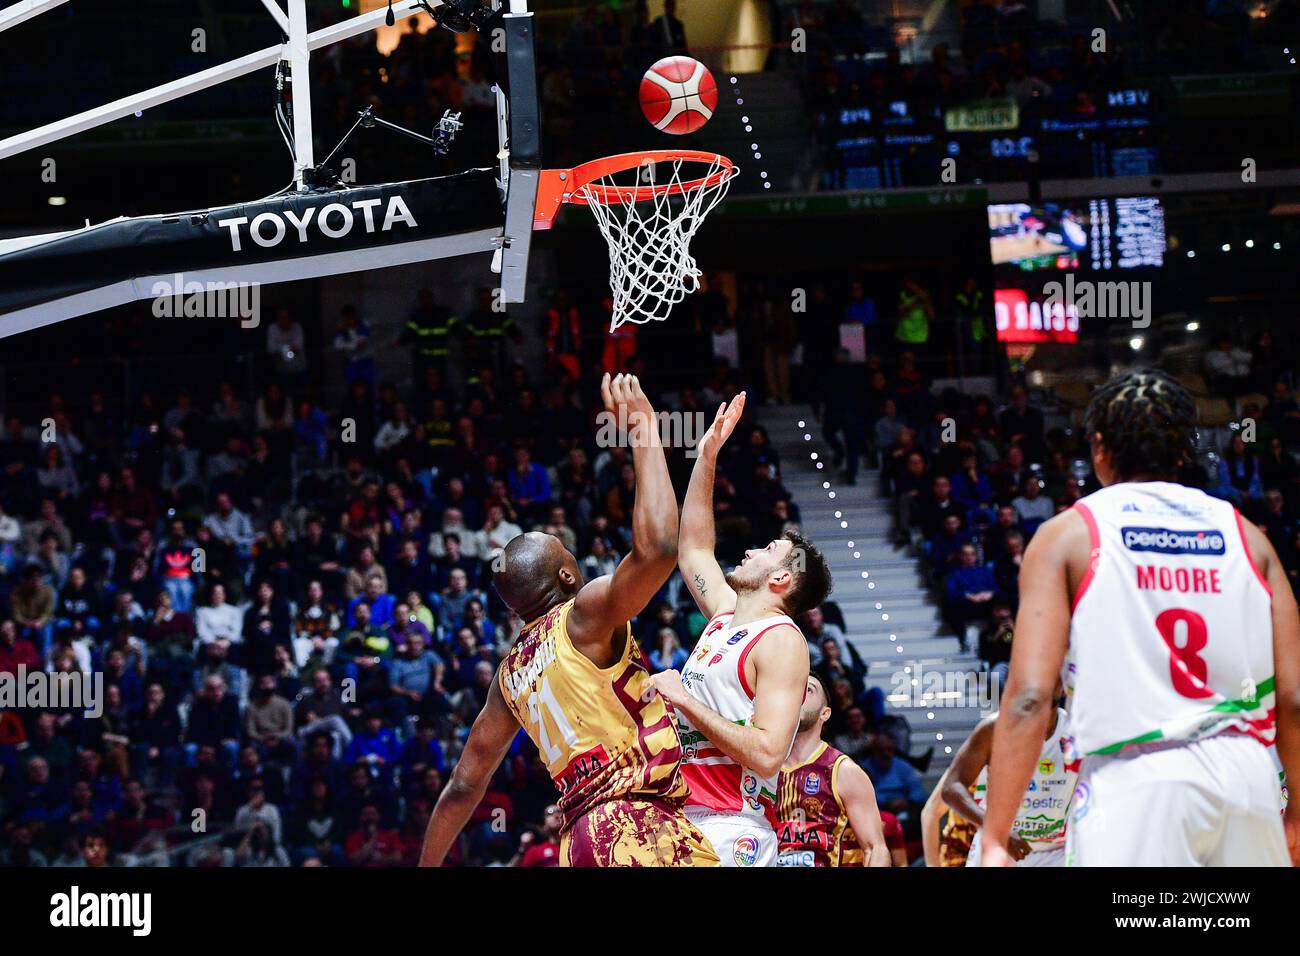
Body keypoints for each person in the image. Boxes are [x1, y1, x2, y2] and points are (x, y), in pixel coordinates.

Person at [983, 369, 1300, 867]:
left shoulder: (1069, 534)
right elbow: (1294, 698)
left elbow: (1029, 697)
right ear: (1183, 450)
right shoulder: (1248, 536)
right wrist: (1296, 811)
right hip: (1247, 778)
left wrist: (997, 835)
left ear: (1101, 448)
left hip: (1135, 779)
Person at [419, 374, 718, 867]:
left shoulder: (509, 675)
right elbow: (660, 550)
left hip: (580, 842)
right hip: (637, 829)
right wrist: (644, 428)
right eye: (569, 552)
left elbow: (463, 785)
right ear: (566, 572)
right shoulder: (584, 615)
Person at [652, 390, 831, 868]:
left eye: (768, 550)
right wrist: (707, 454)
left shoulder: (782, 641)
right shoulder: (726, 616)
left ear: (781, 579)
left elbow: (770, 754)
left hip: (731, 827)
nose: (751, 550)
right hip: (684, 815)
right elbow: (692, 549)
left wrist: (684, 699)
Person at [943, 681, 1075, 867]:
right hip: (997, 845)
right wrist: (997, 830)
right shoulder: (995, 728)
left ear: (1061, 686)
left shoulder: (1076, 731)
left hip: (1055, 853)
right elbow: (951, 788)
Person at [775, 675, 890, 867]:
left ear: (825, 713)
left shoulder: (844, 771)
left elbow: (876, 849)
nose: (800, 693)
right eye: (795, 688)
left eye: (809, 689)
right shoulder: (762, 769)